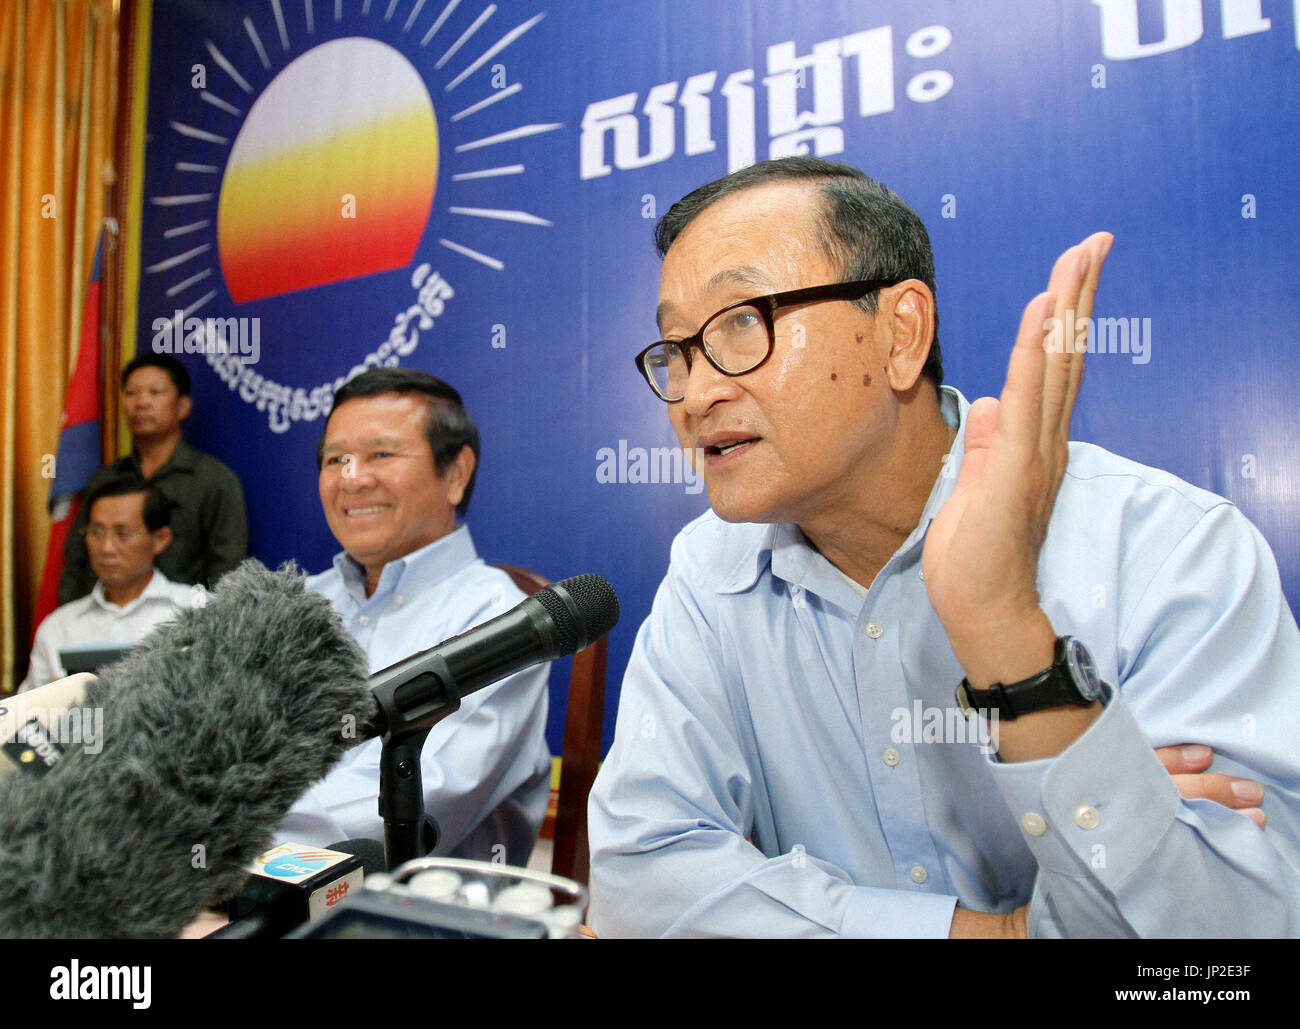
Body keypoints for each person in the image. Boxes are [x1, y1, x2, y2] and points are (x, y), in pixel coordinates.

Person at [588, 157, 1300, 937]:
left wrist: (1004, 629)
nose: (693, 396)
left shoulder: (1168, 549)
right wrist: (997, 932)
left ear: (901, 335)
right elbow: (639, 879)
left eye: (740, 323)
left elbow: (1228, 953)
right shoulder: (708, 570)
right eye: (677, 350)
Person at [276, 368, 551, 865]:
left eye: (381, 454)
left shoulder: (500, 619)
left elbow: (391, 822)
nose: (352, 478)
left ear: (455, 474)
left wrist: (226, 824)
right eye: (336, 459)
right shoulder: (289, 604)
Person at [58, 354, 248, 604]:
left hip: (183, 626)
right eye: (131, 393)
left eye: (155, 392)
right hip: (105, 625)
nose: (141, 403)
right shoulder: (104, 481)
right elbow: (77, 565)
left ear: (182, 406)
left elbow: (228, 574)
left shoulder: (213, 481)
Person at [21, 477, 196, 691]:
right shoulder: (59, 627)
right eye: (96, 532)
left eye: (122, 534)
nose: (106, 548)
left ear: (160, 538)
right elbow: (28, 718)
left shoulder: (196, 611)